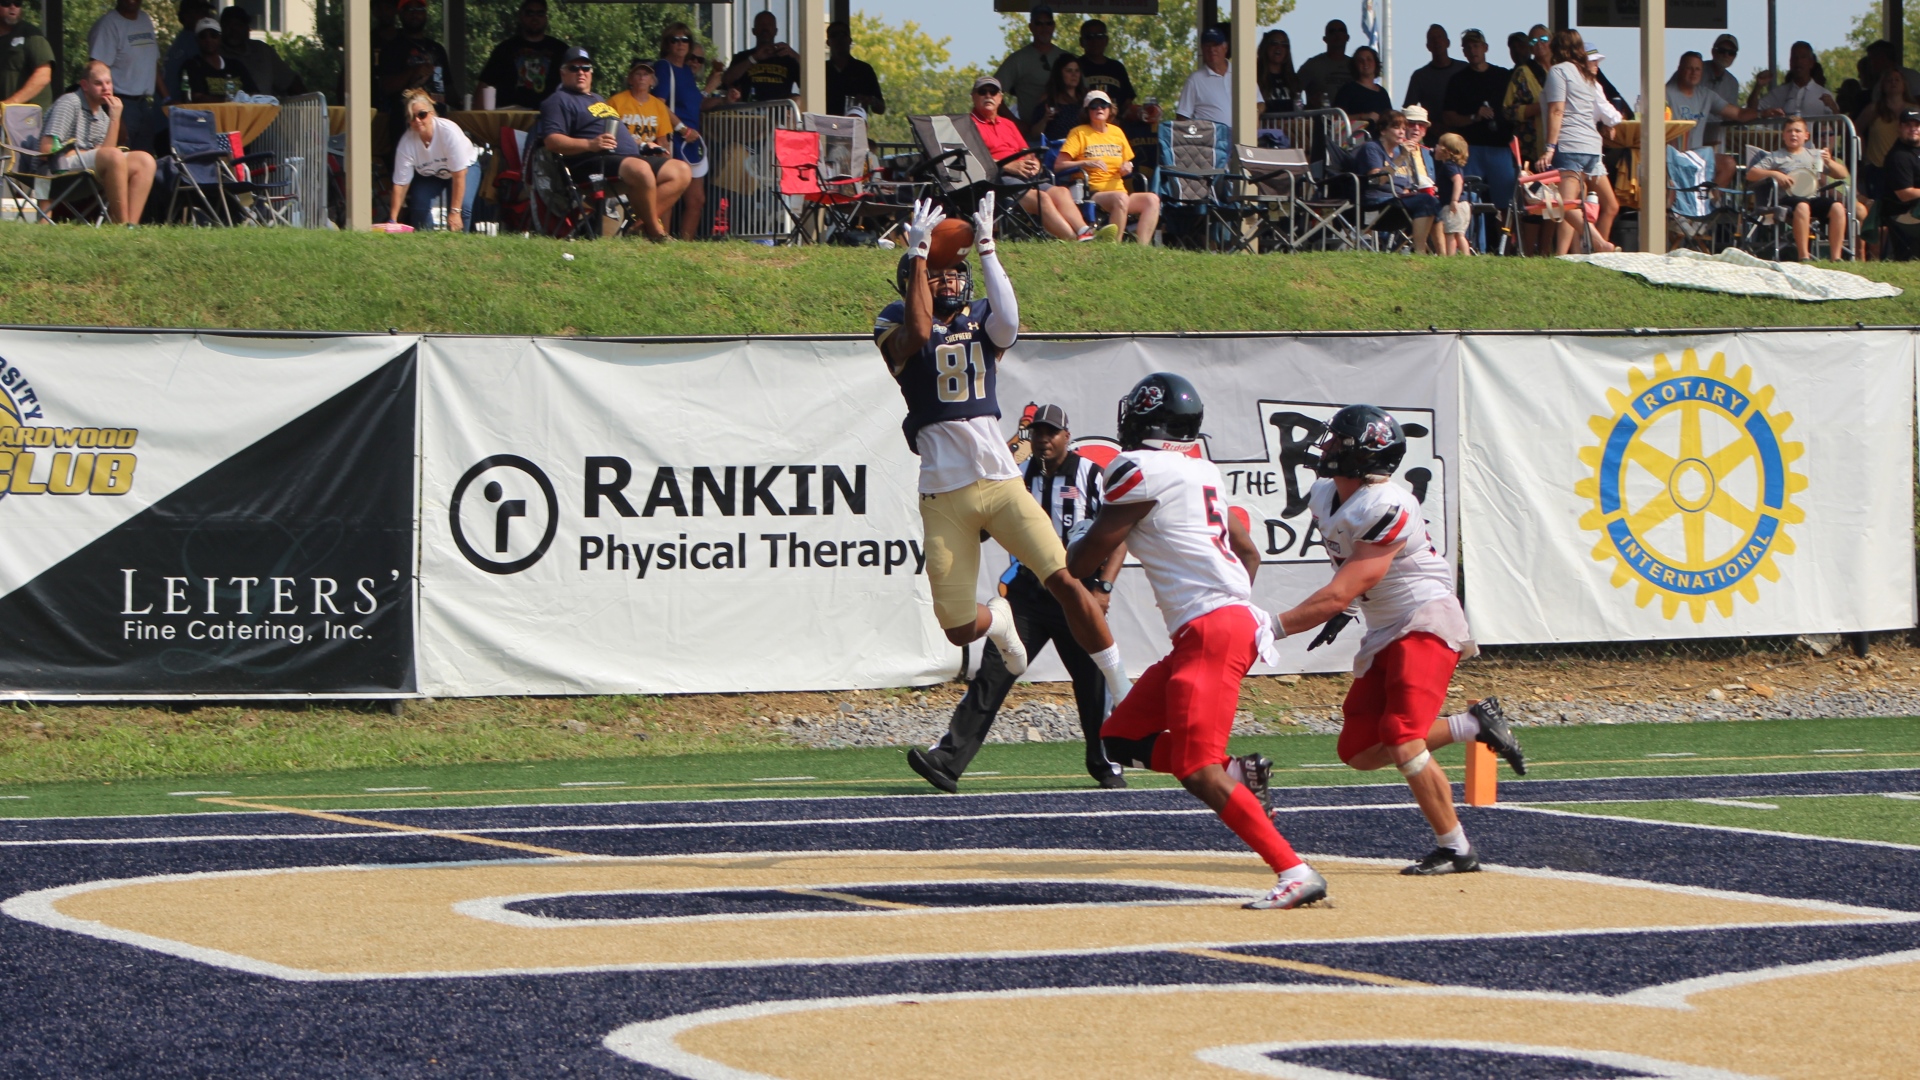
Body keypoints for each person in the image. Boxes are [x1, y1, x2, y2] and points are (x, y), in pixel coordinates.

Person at [1067, 373, 1328, 912]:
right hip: (1215, 626)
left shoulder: (1137, 469)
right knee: (1118, 737)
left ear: (1141, 418)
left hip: (1211, 630)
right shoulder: (1199, 469)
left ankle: (1294, 870)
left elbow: (1082, 561)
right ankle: (1238, 775)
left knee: (1196, 768)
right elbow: (1245, 551)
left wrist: (1062, 544)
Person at [875, 196, 1130, 727]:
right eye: (937, 275)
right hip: (945, 493)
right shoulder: (895, 320)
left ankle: (1122, 688)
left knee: (1064, 580)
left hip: (1000, 480)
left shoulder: (979, 317)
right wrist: (920, 252)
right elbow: (919, 335)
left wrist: (988, 249)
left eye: (955, 273)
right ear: (915, 278)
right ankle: (1001, 624)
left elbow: (1010, 324)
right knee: (957, 626)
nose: (950, 281)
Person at [1270, 404, 1525, 877]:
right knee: (1359, 750)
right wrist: (1346, 609)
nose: (1324, 447)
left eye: (1337, 442)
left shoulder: (1387, 504)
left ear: (1360, 455)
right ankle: (1472, 726)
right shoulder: (1327, 493)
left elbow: (1346, 585)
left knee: (1403, 737)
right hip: (1383, 624)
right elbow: (1348, 569)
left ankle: (1456, 848)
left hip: (1423, 617)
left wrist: (1271, 627)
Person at [909, 403, 1128, 793]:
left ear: (1067, 436)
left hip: (1073, 590)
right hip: (1028, 593)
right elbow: (986, 520)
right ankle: (948, 758)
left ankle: (1106, 762)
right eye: (1038, 433)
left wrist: (1103, 587)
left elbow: (1118, 535)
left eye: (1051, 432)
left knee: (1092, 680)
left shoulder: (1091, 476)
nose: (1043, 440)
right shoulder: (1017, 475)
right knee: (993, 671)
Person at [534, 46, 686, 241]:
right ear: (563, 72)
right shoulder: (558, 100)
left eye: (586, 68)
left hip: (624, 159)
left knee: (680, 170)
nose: (581, 72)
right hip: (590, 163)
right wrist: (590, 144)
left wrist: (642, 146)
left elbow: (616, 136)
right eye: (574, 68)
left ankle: (639, 228)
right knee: (641, 170)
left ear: (591, 72)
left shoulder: (598, 99)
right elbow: (552, 141)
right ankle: (656, 232)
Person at [969, 75, 1090, 242]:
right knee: (1043, 198)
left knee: (1061, 191)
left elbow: (1026, 151)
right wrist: (1006, 166)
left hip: (1026, 175)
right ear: (974, 96)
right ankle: (1073, 239)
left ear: (1000, 98)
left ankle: (1084, 231)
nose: (988, 96)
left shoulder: (1008, 124)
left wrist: (1035, 163)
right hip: (997, 179)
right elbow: (971, 159)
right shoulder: (968, 125)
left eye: (993, 92)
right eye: (983, 92)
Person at [41, 61, 156, 224]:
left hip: (87, 168)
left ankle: (131, 226)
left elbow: (106, 154)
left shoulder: (102, 114)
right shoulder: (69, 102)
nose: (106, 88)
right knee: (115, 155)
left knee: (145, 161)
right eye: (98, 83)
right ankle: (121, 225)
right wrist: (79, 152)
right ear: (85, 85)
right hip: (58, 169)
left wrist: (115, 118)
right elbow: (46, 149)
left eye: (108, 83)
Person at [1538, 28, 1615, 255]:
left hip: (1570, 145)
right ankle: (1596, 251)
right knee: (1609, 203)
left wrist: (1549, 148)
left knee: (1562, 204)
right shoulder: (1587, 75)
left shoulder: (1558, 71)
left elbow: (1557, 110)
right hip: (1592, 146)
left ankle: (1592, 246)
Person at [1058, 89, 1158, 243]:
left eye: (1103, 105)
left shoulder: (1117, 132)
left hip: (1120, 192)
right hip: (1092, 193)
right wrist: (1085, 162)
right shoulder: (1079, 133)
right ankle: (1113, 246)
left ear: (1110, 109)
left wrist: (1128, 166)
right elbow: (1059, 165)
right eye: (1094, 105)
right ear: (1087, 111)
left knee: (1152, 199)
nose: (1099, 108)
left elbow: (1127, 162)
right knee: (1121, 198)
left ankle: (1142, 248)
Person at [1748, 116, 1852, 261]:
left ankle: (1836, 258)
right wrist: (1774, 174)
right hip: (1788, 199)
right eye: (1789, 131)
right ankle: (1804, 256)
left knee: (1837, 208)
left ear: (1806, 135)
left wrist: (1829, 162)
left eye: (1798, 131)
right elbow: (1751, 174)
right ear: (1783, 135)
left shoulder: (1814, 156)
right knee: (1802, 206)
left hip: (1812, 197)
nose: (1793, 134)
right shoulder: (1776, 157)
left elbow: (1842, 174)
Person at [1441, 29, 1513, 229]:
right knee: (1467, 201)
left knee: (1506, 202)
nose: (1473, 51)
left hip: (1501, 147)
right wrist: (1474, 116)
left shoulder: (1503, 76)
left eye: (1476, 46)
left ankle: (1506, 248)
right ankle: (1469, 246)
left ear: (1485, 48)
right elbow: (1448, 117)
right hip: (1471, 149)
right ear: (1463, 52)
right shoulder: (1458, 80)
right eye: (1468, 47)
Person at [388, 87, 478, 231]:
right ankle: (426, 246)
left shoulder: (448, 132)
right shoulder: (406, 143)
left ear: (432, 114)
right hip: (431, 174)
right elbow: (400, 184)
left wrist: (455, 212)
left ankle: (460, 246)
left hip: (465, 169)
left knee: (463, 208)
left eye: (422, 115)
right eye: (412, 117)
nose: (417, 120)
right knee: (419, 205)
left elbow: (459, 175)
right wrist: (392, 220)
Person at [1667, 51, 1758, 190]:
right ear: (1679, 69)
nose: (1693, 72)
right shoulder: (1664, 93)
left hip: (1698, 156)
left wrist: (1763, 113)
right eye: (1689, 68)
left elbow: (1739, 114)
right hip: (1671, 157)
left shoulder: (1706, 95)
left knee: (1728, 164)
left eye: (1697, 69)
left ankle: (1708, 204)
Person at [654, 22, 708, 240]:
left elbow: (697, 102)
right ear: (667, 44)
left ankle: (685, 245)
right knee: (670, 192)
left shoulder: (687, 71)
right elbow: (659, 104)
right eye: (674, 39)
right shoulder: (663, 67)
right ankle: (660, 237)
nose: (680, 44)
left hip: (691, 142)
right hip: (674, 138)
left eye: (685, 39)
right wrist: (682, 129)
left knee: (697, 199)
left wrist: (724, 97)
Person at [1354, 111, 1436, 252]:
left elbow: (1404, 186)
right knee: (1426, 201)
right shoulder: (1372, 148)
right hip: (1377, 205)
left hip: (1396, 204)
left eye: (1404, 129)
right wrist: (1401, 159)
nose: (1402, 132)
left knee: (1435, 204)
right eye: (1397, 128)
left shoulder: (1398, 154)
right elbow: (1375, 181)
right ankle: (1420, 252)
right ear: (1384, 130)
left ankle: (1444, 255)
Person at [86, 0, 161, 152]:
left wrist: (168, 99)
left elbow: (153, 64)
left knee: (143, 161)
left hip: (144, 104)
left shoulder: (145, 20)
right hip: (121, 103)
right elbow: (97, 73)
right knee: (121, 157)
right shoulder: (109, 24)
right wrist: (114, 115)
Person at [476, 0, 569, 111]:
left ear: (546, 17)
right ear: (521, 16)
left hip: (550, 117)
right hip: (512, 118)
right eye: (530, 13)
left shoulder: (561, 49)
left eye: (540, 13)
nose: (535, 18)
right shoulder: (505, 49)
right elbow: (484, 86)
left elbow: (576, 83)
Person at [378, 0, 450, 120]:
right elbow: (386, 87)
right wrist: (414, 71)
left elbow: (448, 88)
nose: (415, 14)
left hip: (437, 120)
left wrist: (463, 103)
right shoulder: (392, 48)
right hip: (407, 122)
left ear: (425, 14)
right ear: (400, 14)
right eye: (409, 10)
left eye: (419, 9)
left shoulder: (437, 49)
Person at [994, 3, 1064, 123]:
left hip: (1066, 132)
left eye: (1048, 23)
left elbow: (1083, 92)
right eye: (1039, 23)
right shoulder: (1018, 59)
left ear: (1054, 26)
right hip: (1031, 135)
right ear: (1031, 27)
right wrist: (1016, 124)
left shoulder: (1067, 58)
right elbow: (992, 93)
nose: (1044, 28)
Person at [219, 6, 301, 98]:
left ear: (247, 29)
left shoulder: (262, 51)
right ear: (221, 28)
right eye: (227, 25)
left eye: (238, 25)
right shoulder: (215, 53)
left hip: (264, 109)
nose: (233, 30)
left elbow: (290, 81)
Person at [722, 10, 800, 105]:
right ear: (753, 31)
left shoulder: (788, 58)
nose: (765, 28)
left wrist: (795, 55)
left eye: (769, 25)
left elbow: (811, 84)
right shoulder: (743, 57)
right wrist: (753, 58)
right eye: (761, 24)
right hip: (749, 114)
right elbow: (727, 80)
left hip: (780, 114)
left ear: (775, 31)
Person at [607, 60, 682, 157]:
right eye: (638, 74)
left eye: (646, 74)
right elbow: (608, 135)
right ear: (630, 79)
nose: (642, 78)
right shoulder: (615, 102)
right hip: (622, 155)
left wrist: (668, 164)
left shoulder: (659, 106)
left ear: (652, 81)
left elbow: (663, 142)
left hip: (649, 157)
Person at [1401, 24, 1461, 143]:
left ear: (1448, 42)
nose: (1437, 41)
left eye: (1440, 37)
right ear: (1428, 46)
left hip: (1464, 138)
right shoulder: (1420, 76)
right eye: (1432, 39)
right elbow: (1408, 110)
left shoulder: (1463, 70)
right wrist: (1431, 126)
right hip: (1434, 140)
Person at [1751, 41, 1838, 118]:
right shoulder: (1779, 93)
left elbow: (1840, 129)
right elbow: (1751, 110)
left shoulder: (1823, 94)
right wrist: (1758, 86)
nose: (1798, 61)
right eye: (1794, 57)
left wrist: (1834, 109)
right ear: (1790, 62)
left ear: (1811, 63)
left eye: (1803, 57)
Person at [1504, 25, 1550, 168]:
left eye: (1543, 39)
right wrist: (1540, 107)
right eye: (1533, 41)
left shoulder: (1564, 69)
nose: (1539, 43)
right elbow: (1507, 110)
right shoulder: (1522, 72)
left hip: (1565, 145)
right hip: (1532, 151)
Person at [181, 15, 254, 102]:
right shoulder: (192, 66)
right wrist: (230, 102)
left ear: (220, 38)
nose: (208, 39)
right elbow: (197, 97)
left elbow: (253, 93)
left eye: (213, 35)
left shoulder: (236, 65)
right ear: (197, 40)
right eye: (203, 36)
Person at [1879, 109, 1920, 259]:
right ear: (1900, 128)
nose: (1913, 129)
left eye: (1917, 125)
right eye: (1908, 125)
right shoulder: (1898, 157)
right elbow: (1905, 194)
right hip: (1903, 213)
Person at [1, 0, 54, 108]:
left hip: (30, 117)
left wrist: (10, 104)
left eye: (17, 3)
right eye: (6, 3)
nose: (13, 7)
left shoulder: (31, 35)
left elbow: (43, 75)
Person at [824, 20, 883, 117]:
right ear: (828, 42)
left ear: (850, 40)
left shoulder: (864, 70)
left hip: (855, 127)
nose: (839, 39)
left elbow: (881, 108)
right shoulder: (822, 70)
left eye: (843, 34)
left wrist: (870, 100)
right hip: (825, 127)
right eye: (834, 35)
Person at [1023, 52, 1085, 143]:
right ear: (1059, 74)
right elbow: (1034, 133)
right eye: (1069, 71)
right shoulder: (1049, 99)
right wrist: (1045, 119)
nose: (1074, 74)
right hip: (1057, 150)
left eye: (1077, 71)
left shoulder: (1086, 98)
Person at [158, 0, 211, 106]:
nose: (206, 17)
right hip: (177, 106)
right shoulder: (193, 41)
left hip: (168, 106)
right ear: (187, 16)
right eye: (201, 12)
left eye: (207, 13)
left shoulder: (182, 39)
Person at [1175, 27, 1232, 124]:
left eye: (1216, 45)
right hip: (1210, 138)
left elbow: (1259, 102)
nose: (1211, 49)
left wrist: (1255, 111)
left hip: (1243, 137)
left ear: (1225, 47)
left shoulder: (1241, 74)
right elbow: (1182, 117)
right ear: (1202, 48)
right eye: (1207, 45)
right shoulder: (1194, 79)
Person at [1333, 45, 1390, 135]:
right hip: (1356, 140)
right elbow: (1337, 117)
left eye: (1369, 59)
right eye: (1361, 60)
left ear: (1375, 63)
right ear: (1355, 65)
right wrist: (1364, 116)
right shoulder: (1348, 90)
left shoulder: (1382, 92)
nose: (1365, 63)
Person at [1297, 18, 1352, 107]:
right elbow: (1293, 93)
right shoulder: (1312, 65)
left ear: (1347, 37)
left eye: (1341, 30)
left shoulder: (1356, 65)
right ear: (1325, 39)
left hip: (1352, 119)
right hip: (1320, 119)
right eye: (1332, 31)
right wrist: (1306, 108)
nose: (1337, 34)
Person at [1434, 133, 1470, 254]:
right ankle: (1466, 258)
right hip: (1463, 204)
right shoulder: (1455, 165)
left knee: (1450, 234)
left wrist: (1454, 200)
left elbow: (1458, 181)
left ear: (1446, 151)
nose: (1435, 147)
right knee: (1459, 234)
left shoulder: (1448, 166)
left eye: (1438, 145)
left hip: (1454, 205)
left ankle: (1451, 258)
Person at [1254, 29, 1299, 113]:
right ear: (1266, 46)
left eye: (1284, 45)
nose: (1279, 48)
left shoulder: (1292, 79)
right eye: (1274, 43)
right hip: (1265, 125)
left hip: (1289, 125)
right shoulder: (1255, 77)